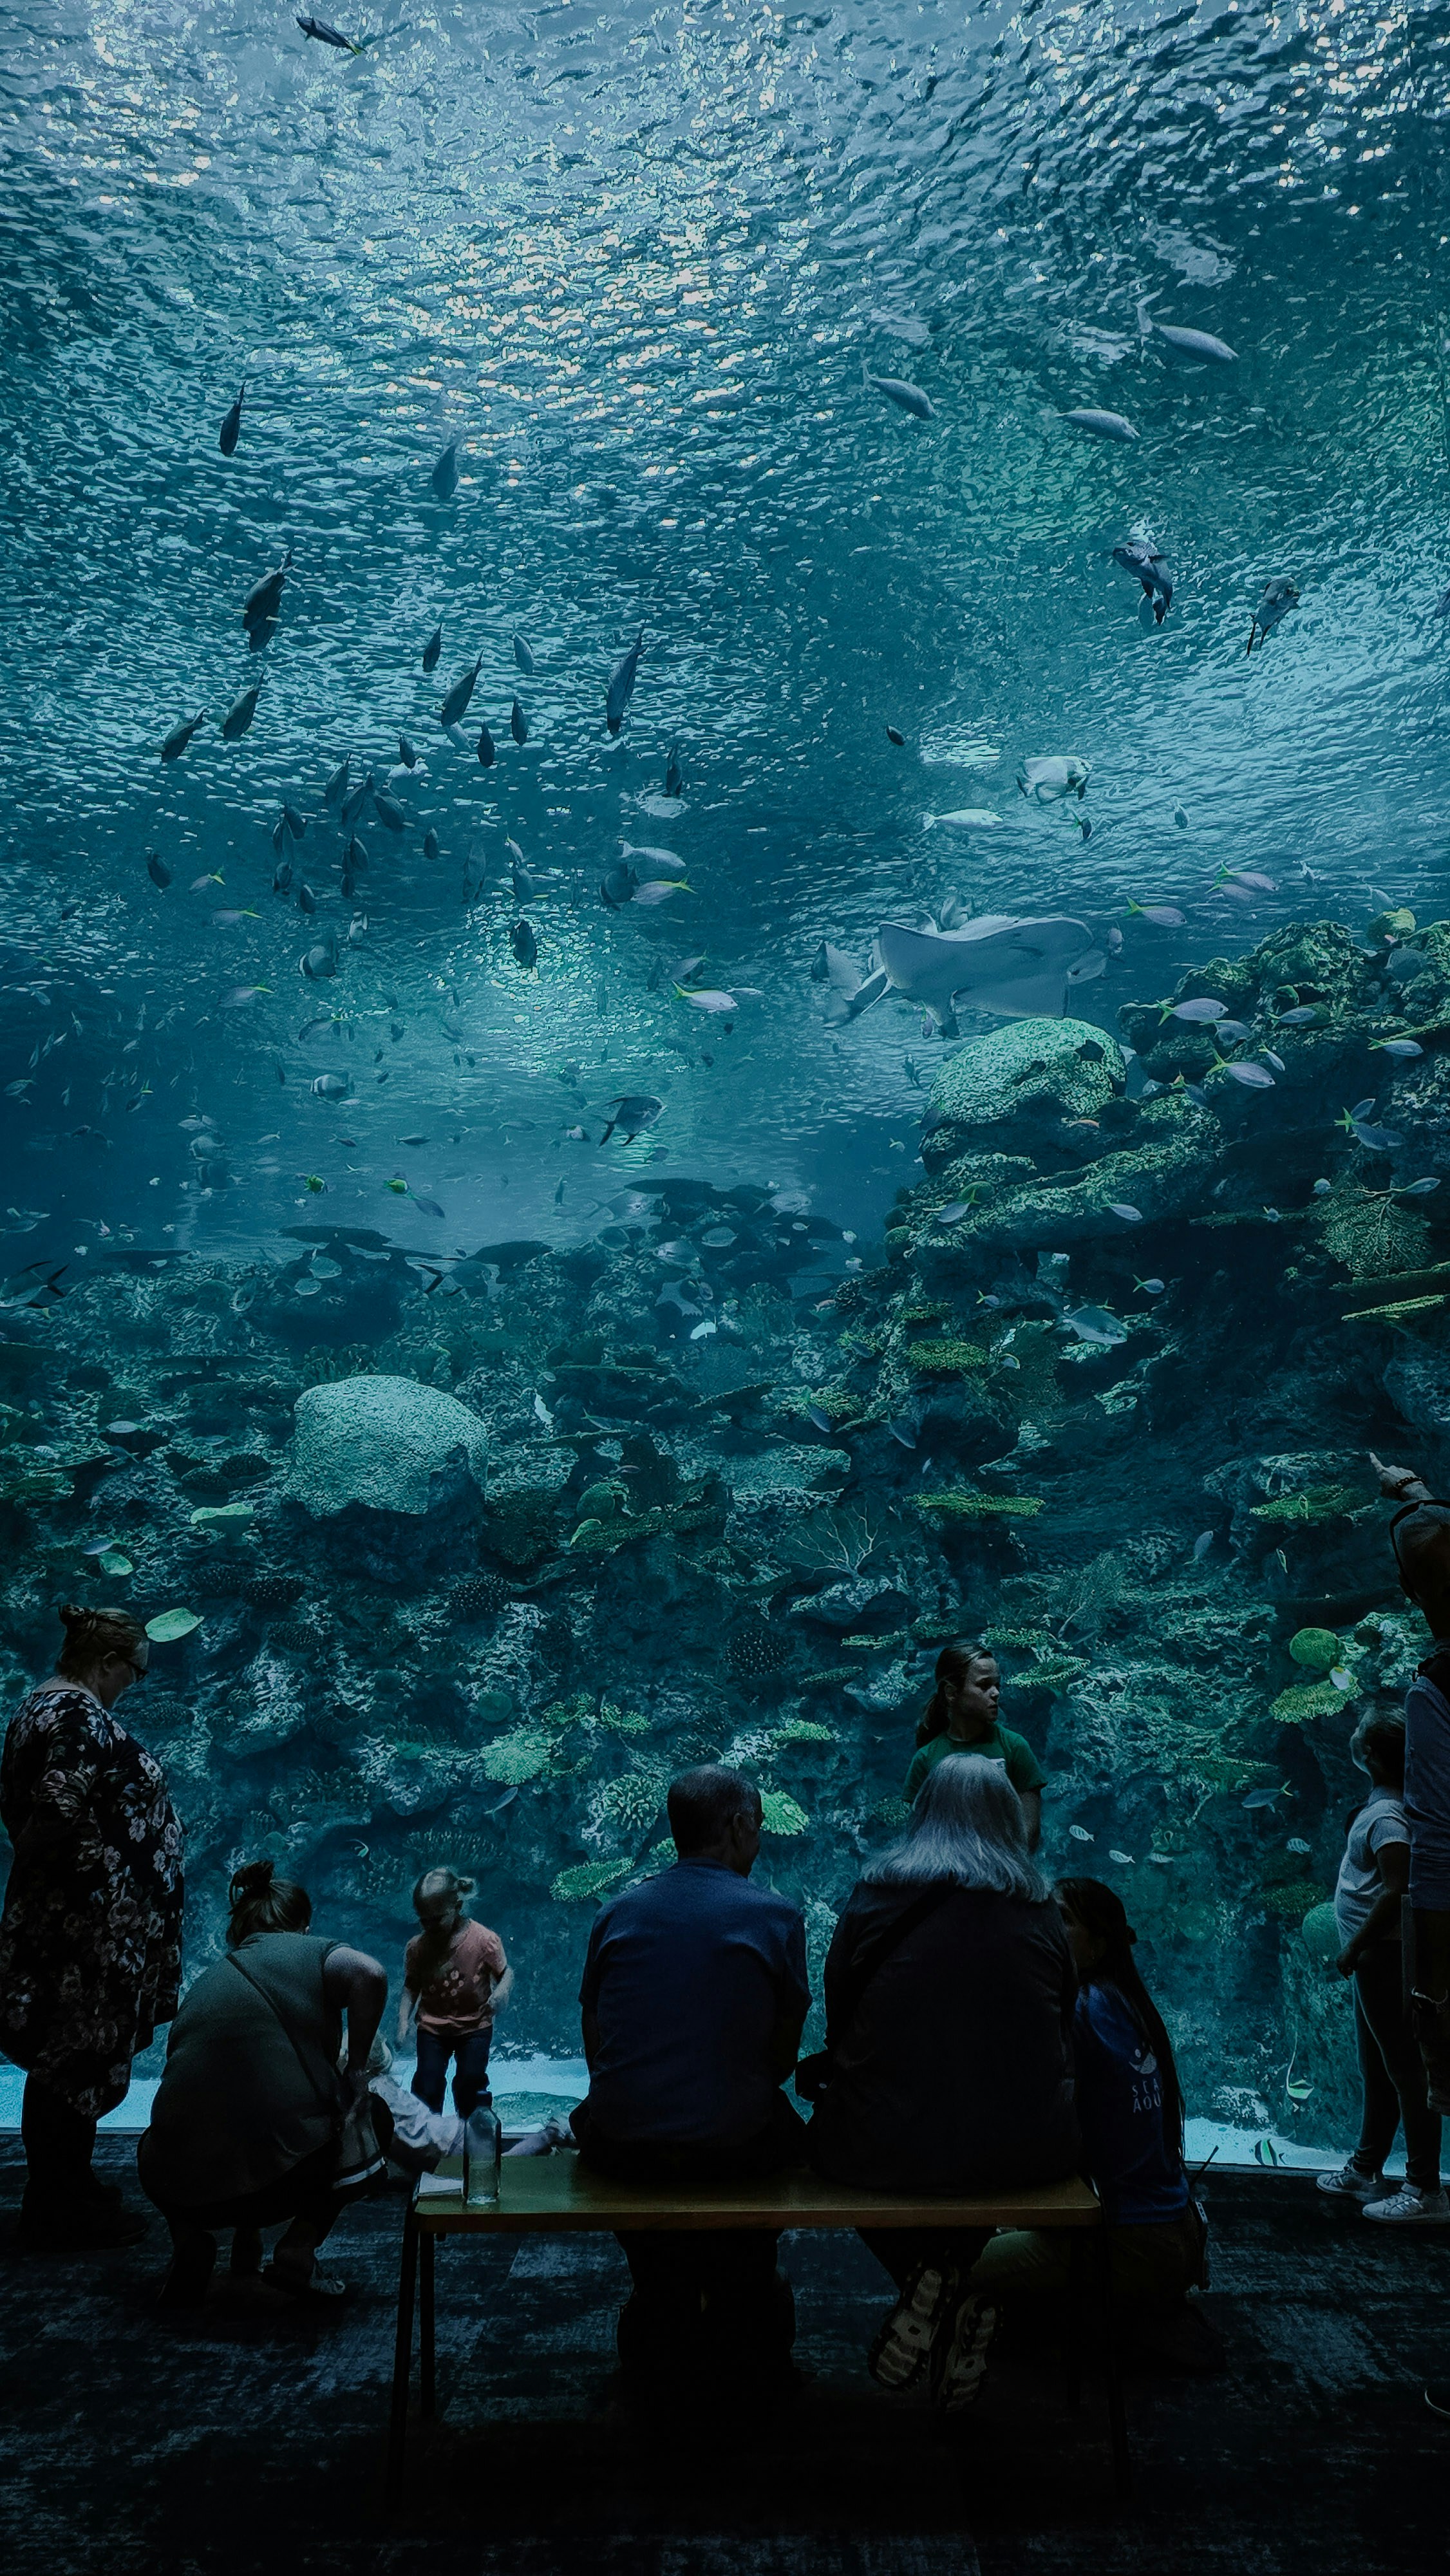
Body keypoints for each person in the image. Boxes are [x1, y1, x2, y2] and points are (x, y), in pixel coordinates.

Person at [807, 1754, 1078, 2411]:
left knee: (825, 2147)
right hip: (1027, 2149)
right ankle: (963, 2282)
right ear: (1007, 1815)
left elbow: (837, 2003)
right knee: (970, 2155)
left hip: (883, 2144)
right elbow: (1063, 2016)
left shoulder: (875, 1893)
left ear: (921, 1809)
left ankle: (926, 2282)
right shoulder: (1039, 1903)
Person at [572, 1765, 810, 2400]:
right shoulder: (775, 1916)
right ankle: (747, 2324)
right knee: (776, 2128)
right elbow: (781, 2058)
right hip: (731, 2150)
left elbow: (597, 2041)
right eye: (757, 1828)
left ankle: (661, 2303)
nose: (757, 1842)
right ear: (735, 1827)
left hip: (625, 2148)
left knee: (660, 2264)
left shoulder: (617, 1911)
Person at [0, 1604, 184, 2249]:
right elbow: (53, 1805)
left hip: (81, 1919)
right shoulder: (77, 1713)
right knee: (72, 2062)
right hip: (88, 1928)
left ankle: (69, 2184)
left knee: (65, 2061)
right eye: (133, 1671)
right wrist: (76, 1889)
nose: (134, 1682)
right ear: (106, 1662)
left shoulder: (37, 1708)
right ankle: (56, 2205)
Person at [137, 1860, 387, 2309]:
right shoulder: (309, 1952)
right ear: (305, 1926)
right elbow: (369, 1974)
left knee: (190, 2123)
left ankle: (191, 2242)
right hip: (275, 2186)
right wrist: (357, 2072)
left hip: (175, 2186)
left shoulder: (208, 1982)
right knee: (369, 2114)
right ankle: (298, 2249)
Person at [969, 1877, 1207, 2330]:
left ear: (1097, 1947)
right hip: (1174, 2233)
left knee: (957, 2269)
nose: (1046, 1926)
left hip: (1131, 2244)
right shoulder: (1124, 2004)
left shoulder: (1082, 2009)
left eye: (1062, 1919)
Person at [1318, 1712, 1445, 2222]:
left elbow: (1398, 1891)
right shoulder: (1383, 1810)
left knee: (1406, 2071)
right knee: (1379, 2069)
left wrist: (1354, 1949)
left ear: (1370, 1756)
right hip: (1373, 1958)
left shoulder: (1389, 1817)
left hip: (1384, 1957)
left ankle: (1425, 2189)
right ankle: (1366, 2167)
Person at [903, 1643, 1044, 1849]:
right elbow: (917, 1833)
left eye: (998, 1685)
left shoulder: (1015, 1747)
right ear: (951, 1693)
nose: (996, 1693)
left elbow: (1030, 1831)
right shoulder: (926, 1758)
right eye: (984, 1685)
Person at [399, 1866, 512, 2121]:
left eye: (437, 1918)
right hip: (432, 2028)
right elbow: (410, 1987)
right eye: (423, 1920)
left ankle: (472, 2134)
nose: (429, 1926)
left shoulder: (484, 1940)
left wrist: (502, 1992)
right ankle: (428, 2137)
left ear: (457, 1906)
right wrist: (403, 2021)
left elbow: (506, 1973)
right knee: (427, 2083)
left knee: (471, 2081)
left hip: (475, 2026)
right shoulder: (417, 1948)